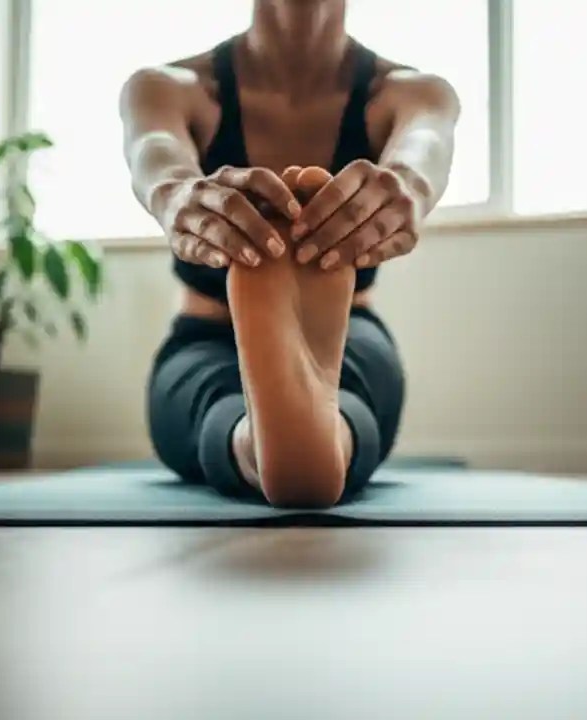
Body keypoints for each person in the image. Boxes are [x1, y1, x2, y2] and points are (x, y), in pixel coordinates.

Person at [120, 0, 459, 508]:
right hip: (209, 335)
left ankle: (267, 444)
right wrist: (177, 196)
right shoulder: (166, 87)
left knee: (215, 405)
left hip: (344, 334)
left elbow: (422, 152)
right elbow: (156, 157)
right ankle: (303, 441)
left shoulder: (415, 92)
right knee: (337, 399)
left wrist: (404, 190)